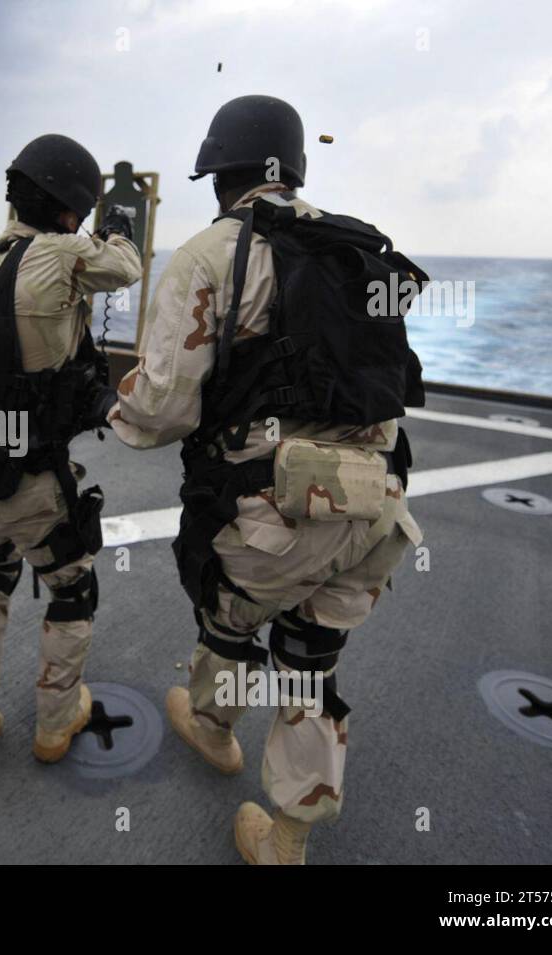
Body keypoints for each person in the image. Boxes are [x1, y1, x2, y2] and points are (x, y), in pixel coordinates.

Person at [108, 95, 425, 863]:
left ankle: (216, 729)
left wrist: (107, 403)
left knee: (232, 612)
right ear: (294, 170)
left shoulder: (212, 255)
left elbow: (157, 414)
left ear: (221, 172)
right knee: (312, 663)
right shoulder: (357, 248)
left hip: (270, 526)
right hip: (377, 512)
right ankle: (287, 838)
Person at [0, 134, 142, 762]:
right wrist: (120, 228)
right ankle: (54, 722)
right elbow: (123, 268)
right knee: (72, 590)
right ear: (67, 207)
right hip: (30, 483)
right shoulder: (58, 253)